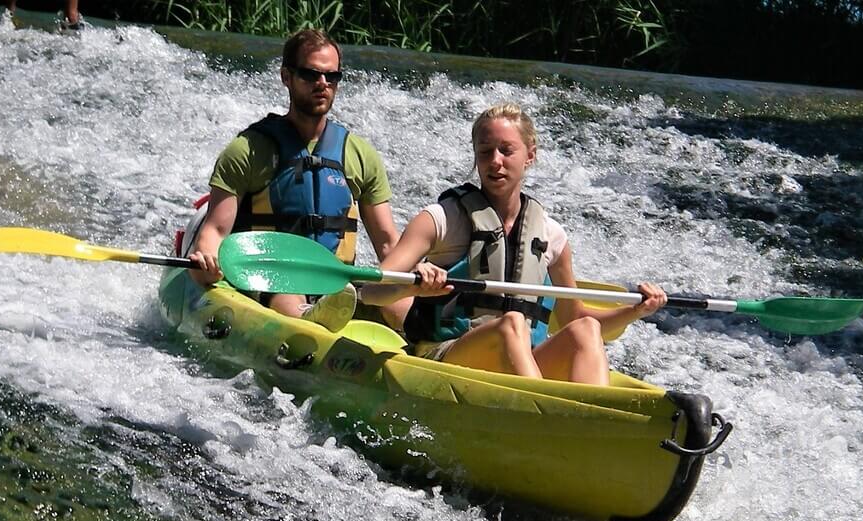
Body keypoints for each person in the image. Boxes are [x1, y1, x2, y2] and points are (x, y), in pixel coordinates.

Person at [359, 103, 667, 386]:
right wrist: (413, 286)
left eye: (506, 150)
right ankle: (545, 421)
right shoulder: (441, 219)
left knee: (585, 330)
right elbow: (372, 291)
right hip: (445, 358)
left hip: (522, 364)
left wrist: (636, 310)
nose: (495, 162)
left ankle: (593, 420)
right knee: (512, 324)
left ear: (530, 155)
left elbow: (572, 317)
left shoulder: (551, 235)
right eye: (485, 152)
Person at [185, 29, 402, 331]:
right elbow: (215, 231)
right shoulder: (248, 150)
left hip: (337, 285)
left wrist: (417, 282)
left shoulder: (359, 154)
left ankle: (435, 347)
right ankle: (310, 323)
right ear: (286, 76)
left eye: (332, 77)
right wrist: (206, 262)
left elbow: (390, 246)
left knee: (401, 301)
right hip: (267, 279)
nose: (323, 84)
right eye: (311, 75)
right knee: (287, 291)